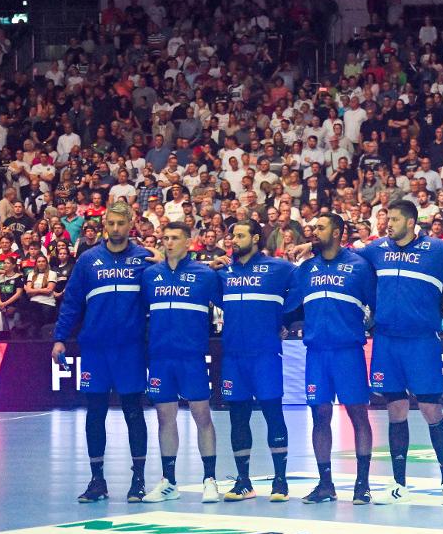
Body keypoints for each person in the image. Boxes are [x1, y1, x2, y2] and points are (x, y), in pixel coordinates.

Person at [51, 201, 154, 503]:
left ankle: (138, 480)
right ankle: (97, 481)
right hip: (95, 349)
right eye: (111, 223)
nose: (115, 229)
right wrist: (60, 338)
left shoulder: (144, 259)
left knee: (133, 412)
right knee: (94, 413)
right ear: (105, 224)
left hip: (130, 349)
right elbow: (71, 303)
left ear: (130, 223)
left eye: (121, 223)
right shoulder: (87, 260)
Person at [358, 200, 443, 506]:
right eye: (388, 218)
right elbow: (342, 256)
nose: (389, 223)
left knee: (431, 410)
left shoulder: (439, 250)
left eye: (396, 219)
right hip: (387, 342)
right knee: (395, 411)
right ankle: (399, 483)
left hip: (421, 342)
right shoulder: (376, 249)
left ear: (412, 222)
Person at [284, 213, 377, 504]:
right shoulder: (305, 269)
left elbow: (376, 305)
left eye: (320, 228)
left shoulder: (359, 266)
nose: (314, 231)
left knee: (358, 415)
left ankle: (362, 484)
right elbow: (290, 306)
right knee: (319, 416)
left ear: (337, 232)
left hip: (348, 352)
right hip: (315, 354)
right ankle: (326, 484)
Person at [139, 221, 223, 503]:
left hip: (192, 358)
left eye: (175, 238)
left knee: (202, 416)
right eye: (165, 237)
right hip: (161, 358)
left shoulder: (205, 275)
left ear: (189, 242)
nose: (169, 242)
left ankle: (209, 479)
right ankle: (169, 482)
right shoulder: (150, 276)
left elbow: (230, 302)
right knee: (165, 418)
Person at [218, 220, 295, 502]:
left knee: (274, 414)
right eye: (232, 235)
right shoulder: (224, 272)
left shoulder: (279, 268)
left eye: (240, 235)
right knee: (238, 418)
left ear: (256, 238)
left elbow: (302, 290)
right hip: (233, 357)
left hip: (265, 356)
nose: (234, 240)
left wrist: (286, 319)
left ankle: (281, 481)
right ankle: (243, 482)